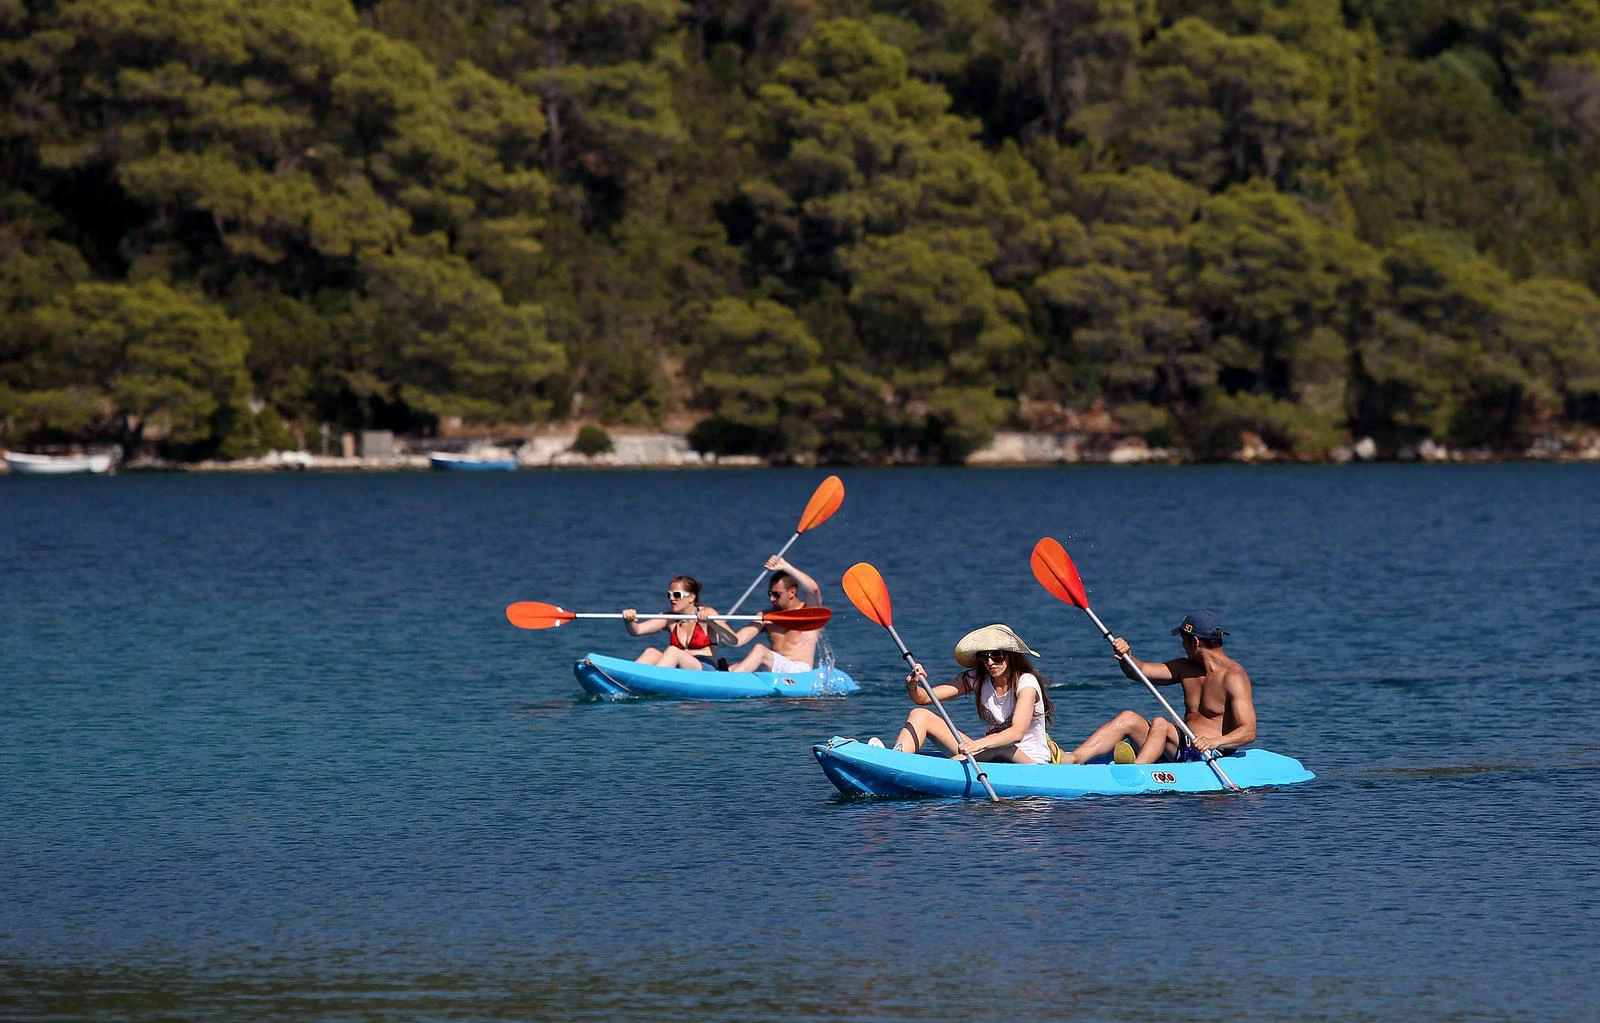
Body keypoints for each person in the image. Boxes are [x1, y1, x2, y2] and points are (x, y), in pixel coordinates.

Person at [1062, 609, 1256, 765]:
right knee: (1128, 718)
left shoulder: (1234, 677)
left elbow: (1248, 731)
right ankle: (1072, 759)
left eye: (1183, 640)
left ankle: (1138, 771)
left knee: (1161, 724)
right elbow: (1140, 671)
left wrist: (1213, 742)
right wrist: (1126, 655)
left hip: (1209, 754)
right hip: (1178, 746)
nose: (1182, 645)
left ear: (1194, 641)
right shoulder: (1185, 667)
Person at [873, 625, 1057, 764]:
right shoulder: (978, 678)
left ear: (1011, 656)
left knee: (1004, 748)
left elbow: (1017, 733)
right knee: (919, 715)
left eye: (997, 655)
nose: (990, 662)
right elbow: (925, 698)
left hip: (1027, 761)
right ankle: (896, 761)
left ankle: (942, 769)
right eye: (984, 656)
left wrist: (978, 744)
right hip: (989, 751)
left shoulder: (1026, 683)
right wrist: (913, 684)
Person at [721, 556, 823, 673]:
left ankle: (734, 682)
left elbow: (813, 590)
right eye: (769, 594)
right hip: (773, 666)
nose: (771, 598)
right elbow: (737, 640)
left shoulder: (809, 611)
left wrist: (786, 567)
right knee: (731, 668)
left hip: (798, 670)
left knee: (760, 650)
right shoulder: (766, 615)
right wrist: (715, 624)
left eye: (776, 594)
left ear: (792, 592)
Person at [622, 576, 722, 671]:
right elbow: (637, 630)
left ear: (691, 597)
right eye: (669, 595)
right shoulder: (669, 618)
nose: (672, 598)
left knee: (673, 651)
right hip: (680, 667)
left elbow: (732, 640)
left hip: (705, 669)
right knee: (651, 652)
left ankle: (653, 680)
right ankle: (627, 680)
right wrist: (629, 620)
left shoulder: (707, 613)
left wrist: (711, 620)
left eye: (677, 595)